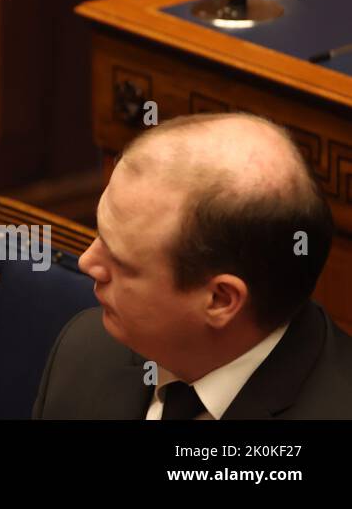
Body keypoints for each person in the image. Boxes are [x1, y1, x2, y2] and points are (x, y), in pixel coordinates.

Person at [34, 111, 352, 419]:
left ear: (220, 300)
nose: (87, 262)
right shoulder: (85, 353)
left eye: (120, 261)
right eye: (100, 231)